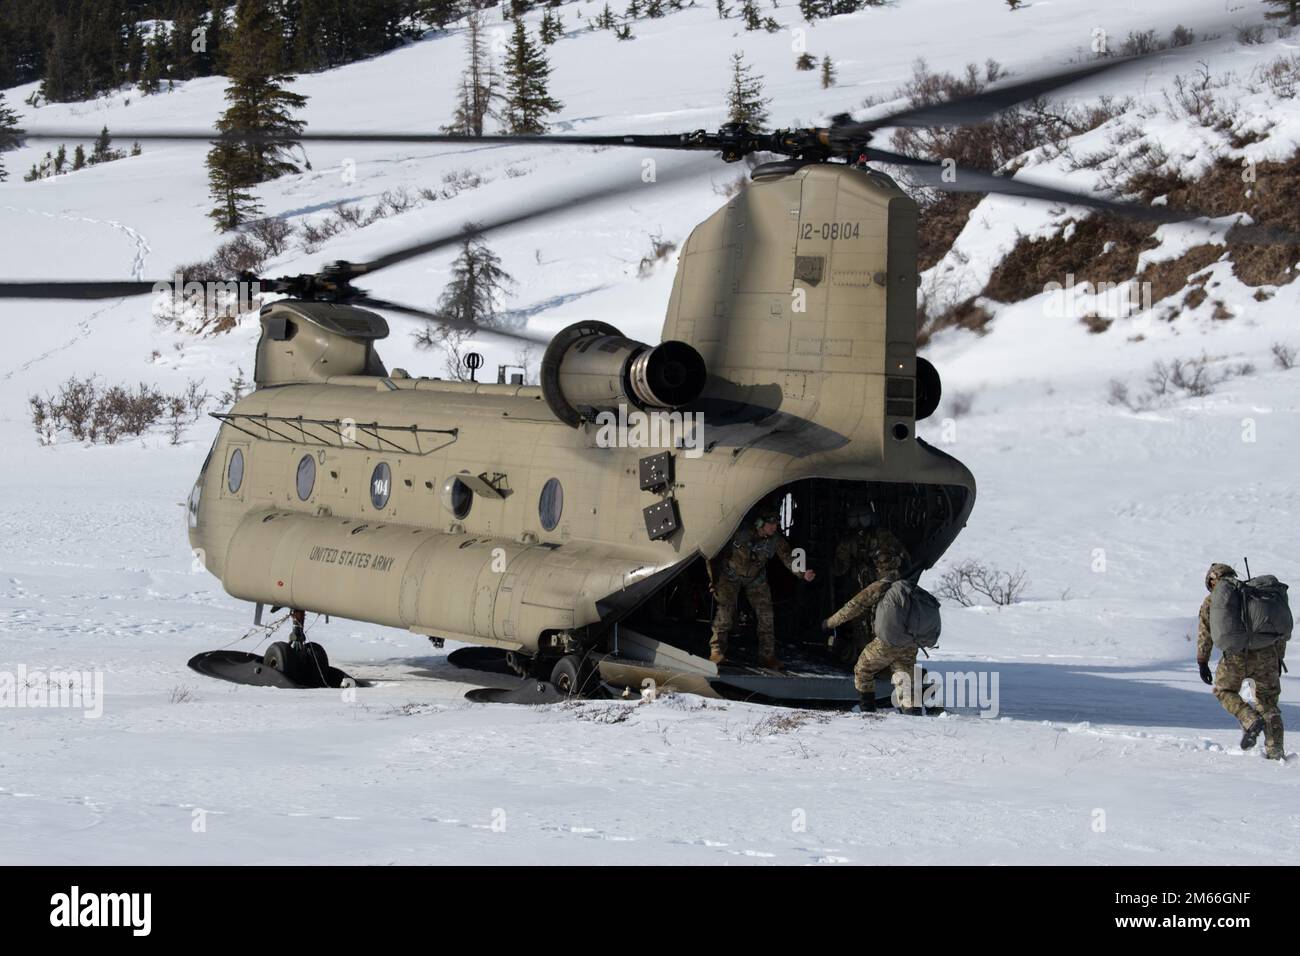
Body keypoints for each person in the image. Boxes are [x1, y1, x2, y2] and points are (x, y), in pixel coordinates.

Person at [709, 505, 816, 670]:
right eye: (771, 523)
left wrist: (802, 573)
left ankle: (767, 657)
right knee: (725, 611)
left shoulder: (776, 540)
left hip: (756, 579)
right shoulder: (740, 533)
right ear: (760, 523)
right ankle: (717, 651)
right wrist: (713, 580)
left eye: (776, 523)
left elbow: (788, 558)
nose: (775, 527)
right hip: (730, 576)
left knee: (766, 616)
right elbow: (714, 551)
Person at [1197, 562, 1286, 759]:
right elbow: (1277, 632)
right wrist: (1278, 658)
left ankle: (1249, 720)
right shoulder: (1254, 593)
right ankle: (1276, 751)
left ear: (1212, 581)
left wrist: (1202, 661)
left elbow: (1206, 633)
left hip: (1235, 656)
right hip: (1266, 655)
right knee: (1268, 702)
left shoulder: (1212, 601)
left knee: (1223, 690)